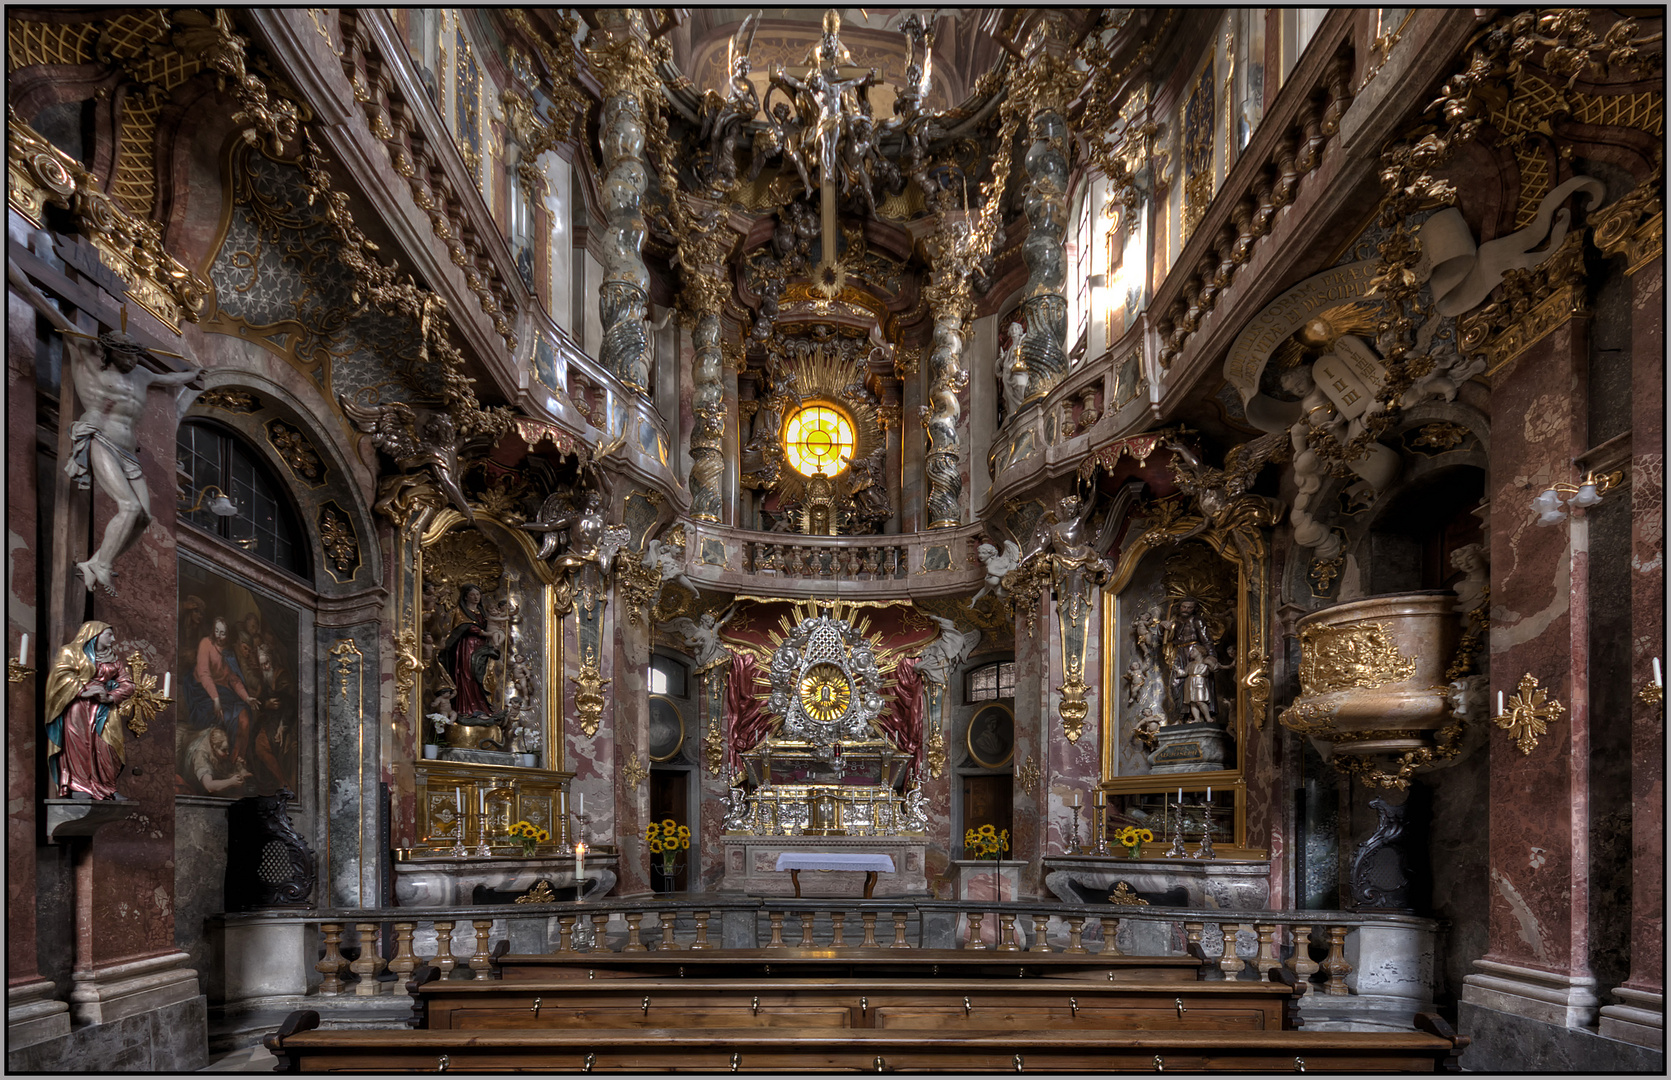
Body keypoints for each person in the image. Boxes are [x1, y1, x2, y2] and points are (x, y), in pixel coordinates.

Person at [61, 329, 204, 596]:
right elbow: (59, 319)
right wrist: (23, 284)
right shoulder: (92, 365)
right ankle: (103, 565)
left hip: (129, 452)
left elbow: (170, 378)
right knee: (128, 506)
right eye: (126, 354)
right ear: (111, 350)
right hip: (101, 438)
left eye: (135, 354)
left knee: (144, 516)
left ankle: (96, 561)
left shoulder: (141, 374)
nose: (132, 360)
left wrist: (193, 375)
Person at [44, 622, 134, 799]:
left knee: (108, 746)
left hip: (104, 707)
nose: (113, 639)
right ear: (95, 634)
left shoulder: (114, 659)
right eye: (109, 635)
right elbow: (60, 675)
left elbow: (128, 684)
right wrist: (83, 689)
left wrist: (110, 696)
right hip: (77, 706)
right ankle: (80, 787)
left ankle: (108, 787)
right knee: (79, 744)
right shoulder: (70, 652)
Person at [190, 615, 259, 757]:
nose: (219, 636)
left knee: (245, 716)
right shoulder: (206, 643)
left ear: (228, 635)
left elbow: (234, 679)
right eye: (217, 631)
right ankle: (226, 757)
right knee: (227, 718)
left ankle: (238, 758)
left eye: (223, 633)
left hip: (224, 691)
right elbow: (204, 674)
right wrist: (216, 699)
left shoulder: (229, 652)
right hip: (203, 691)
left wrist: (247, 698)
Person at [182, 726, 252, 796]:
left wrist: (241, 769)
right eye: (224, 750)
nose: (227, 753)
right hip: (198, 791)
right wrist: (231, 782)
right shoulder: (201, 756)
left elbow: (228, 766)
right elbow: (209, 786)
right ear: (214, 748)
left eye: (228, 749)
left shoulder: (220, 751)